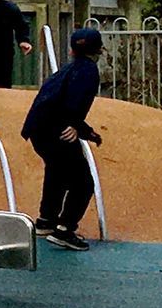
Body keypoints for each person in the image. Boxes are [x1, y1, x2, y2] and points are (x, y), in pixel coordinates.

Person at [20, 25, 107, 250]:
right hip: (56, 129)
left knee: (57, 172)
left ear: (71, 52)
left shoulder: (66, 70)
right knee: (83, 182)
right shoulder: (88, 71)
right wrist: (77, 126)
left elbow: (52, 99)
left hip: (37, 128)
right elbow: (74, 103)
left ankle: (46, 220)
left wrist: (85, 130)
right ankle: (65, 229)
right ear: (99, 51)